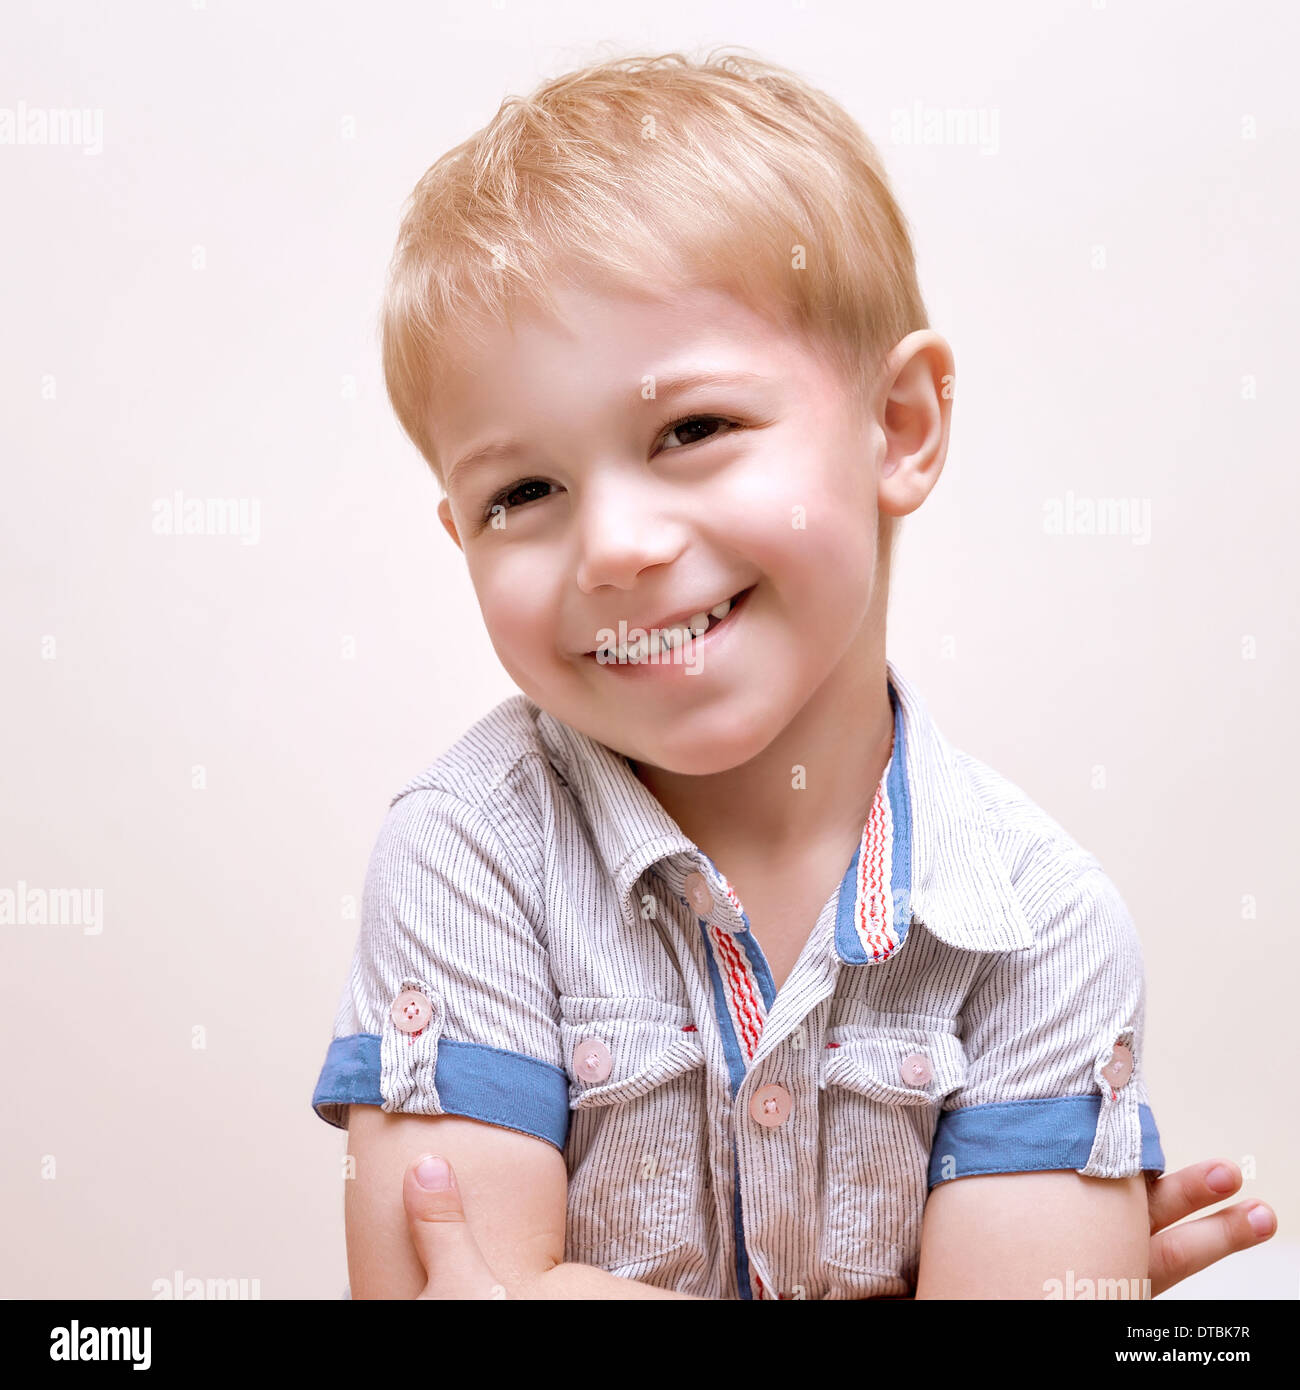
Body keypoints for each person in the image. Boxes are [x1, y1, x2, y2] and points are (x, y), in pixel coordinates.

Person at [312, 49, 1279, 1298]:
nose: (612, 547)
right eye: (524, 491)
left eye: (691, 430)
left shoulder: (1038, 928)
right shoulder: (468, 857)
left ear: (900, 427)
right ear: (459, 531)